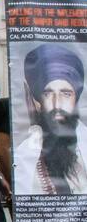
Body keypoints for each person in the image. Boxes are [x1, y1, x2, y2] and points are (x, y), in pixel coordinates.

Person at [15, 44, 87, 196]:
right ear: (39, 100)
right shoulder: (26, 153)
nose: (57, 104)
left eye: (66, 94)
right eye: (48, 93)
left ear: (76, 98)